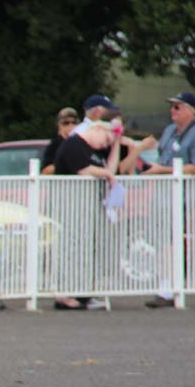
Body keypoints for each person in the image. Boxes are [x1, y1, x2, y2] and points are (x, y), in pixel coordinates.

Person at [140, 92, 195, 308]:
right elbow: (161, 154)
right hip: (161, 193)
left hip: (181, 195)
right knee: (160, 239)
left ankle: (169, 288)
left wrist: (164, 170)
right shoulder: (170, 130)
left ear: (191, 110)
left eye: (178, 107)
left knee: (172, 239)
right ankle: (165, 284)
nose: (173, 111)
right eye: (172, 107)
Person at [50, 120, 119, 310]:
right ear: (96, 129)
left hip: (86, 210)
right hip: (70, 206)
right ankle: (64, 295)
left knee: (84, 249)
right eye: (105, 140)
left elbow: (111, 169)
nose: (104, 146)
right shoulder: (74, 144)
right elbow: (84, 170)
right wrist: (106, 174)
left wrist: (116, 142)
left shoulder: (94, 150)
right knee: (70, 249)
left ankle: (81, 291)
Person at [40, 107, 79, 174]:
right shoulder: (54, 145)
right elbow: (45, 171)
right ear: (59, 125)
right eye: (66, 123)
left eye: (74, 122)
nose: (70, 125)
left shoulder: (81, 143)